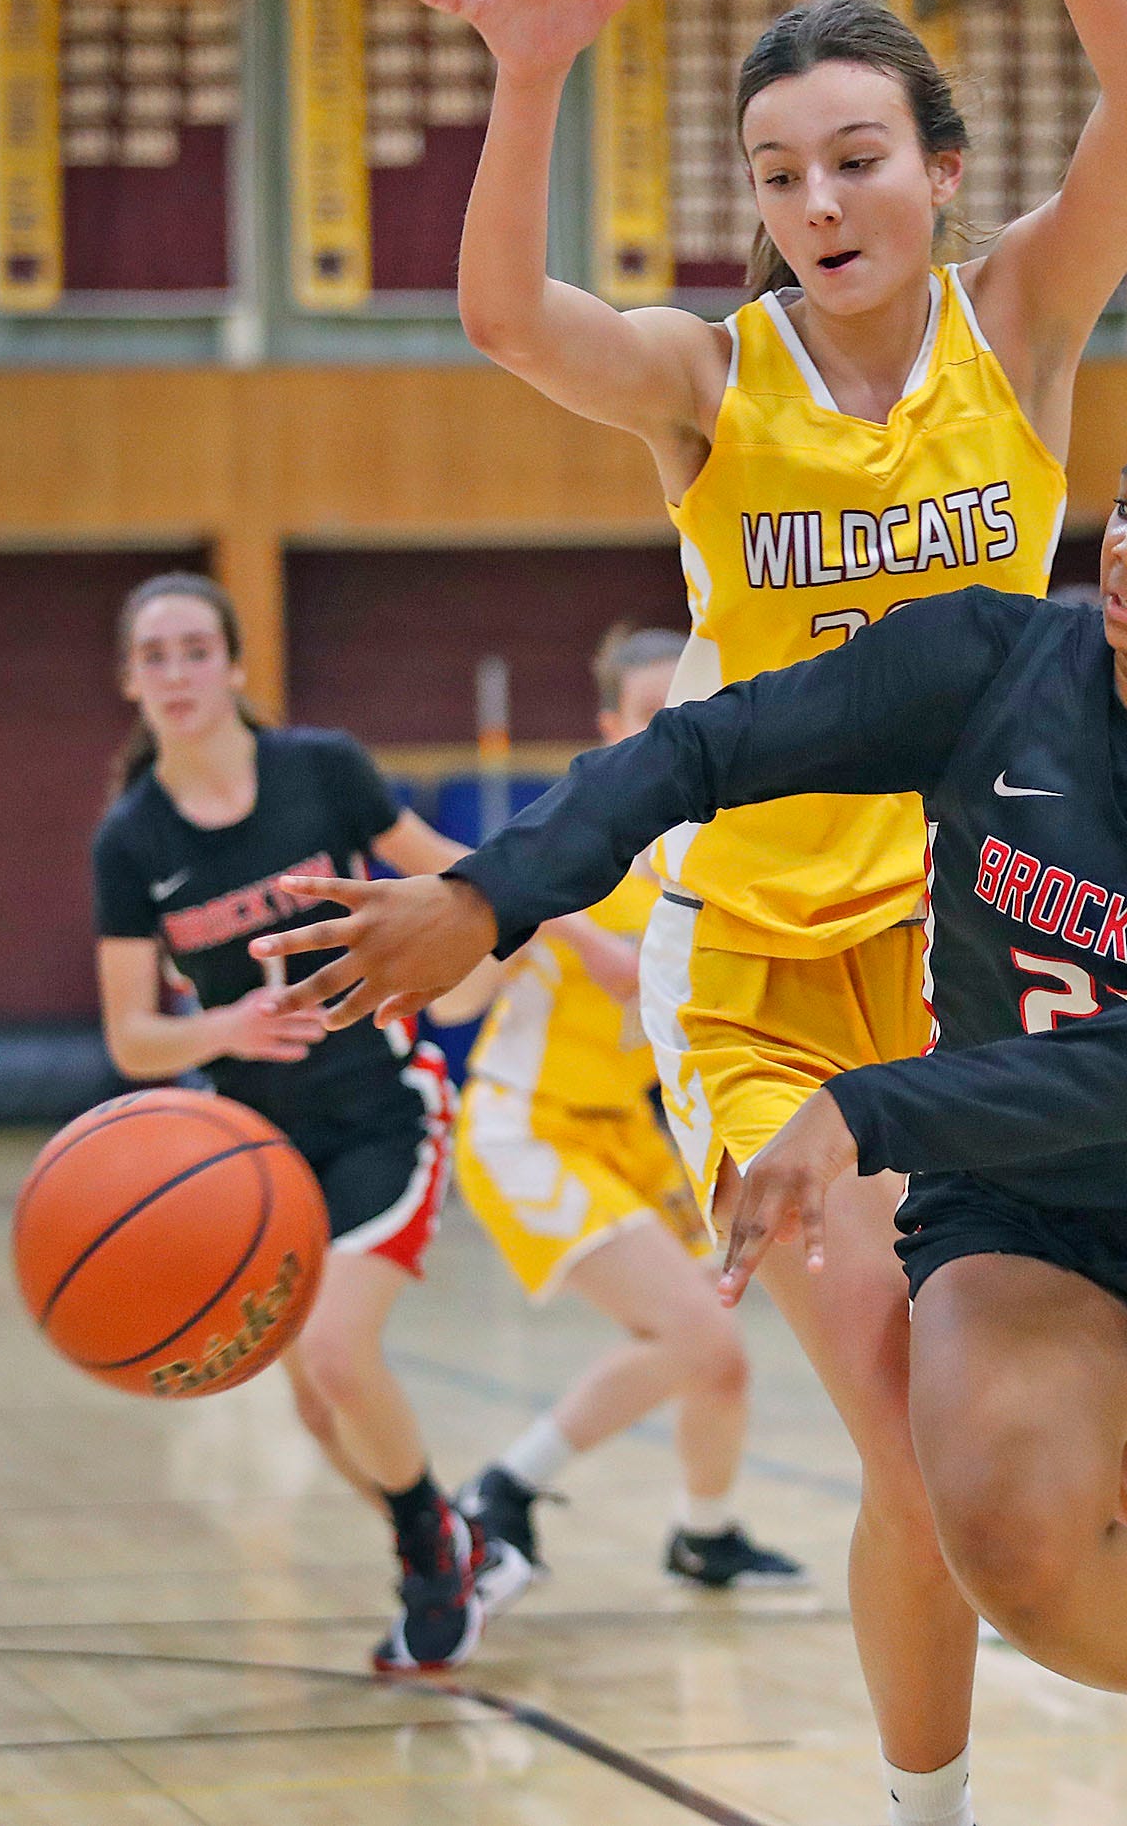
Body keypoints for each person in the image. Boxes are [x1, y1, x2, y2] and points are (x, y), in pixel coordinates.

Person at [259, 363, 1127, 1819]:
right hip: (1029, 1216)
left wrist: (864, 1109)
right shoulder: (987, 664)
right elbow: (703, 745)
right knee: (1008, 1547)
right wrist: (487, 891)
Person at [364, 0, 1127, 1820]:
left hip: (998, 960)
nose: (819, 199)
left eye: (858, 157)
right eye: (778, 173)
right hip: (770, 974)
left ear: (940, 172)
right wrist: (529, 82)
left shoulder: (1017, 320)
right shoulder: (713, 381)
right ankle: (925, 1810)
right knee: (918, 1450)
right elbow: (503, 320)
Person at [93, 572, 484, 1673]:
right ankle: (444, 1530)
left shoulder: (322, 771)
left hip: (383, 1110)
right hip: (256, 1149)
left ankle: (431, 1550)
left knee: (335, 1354)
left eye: (192, 650)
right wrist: (225, 1026)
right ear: (131, 679)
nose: (175, 672)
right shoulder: (132, 842)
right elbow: (133, 1039)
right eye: (153, 655)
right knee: (320, 1404)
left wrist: (478, 967)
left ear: (233, 667)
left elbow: (457, 883)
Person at [436, 627, 803, 1593]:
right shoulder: (566, 853)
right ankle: (504, 1489)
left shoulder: (711, 862)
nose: (671, 727)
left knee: (721, 1357)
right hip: (528, 1128)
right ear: (614, 730)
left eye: (684, 708)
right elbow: (450, 1004)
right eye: (650, 714)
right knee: (696, 1336)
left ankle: (705, 1533)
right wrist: (536, 911)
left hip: (632, 1136)